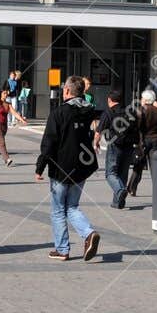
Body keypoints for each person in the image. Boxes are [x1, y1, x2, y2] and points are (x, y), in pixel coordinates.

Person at [36, 75, 101, 262]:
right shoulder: (88, 111)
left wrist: (40, 167)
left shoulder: (59, 113)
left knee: (58, 210)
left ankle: (63, 249)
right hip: (82, 165)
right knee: (72, 206)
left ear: (66, 91)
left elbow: (49, 142)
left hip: (61, 167)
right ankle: (88, 234)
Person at [97, 88, 140, 209]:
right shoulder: (130, 112)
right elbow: (137, 130)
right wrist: (139, 146)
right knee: (122, 173)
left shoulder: (108, 112)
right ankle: (118, 202)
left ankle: (121, 190)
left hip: (115, 145)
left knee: (110, 173)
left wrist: (96, 143)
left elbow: (98, 131)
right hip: (129, 146)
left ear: (109, 100)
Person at [128, 88, 157, 197]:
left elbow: (137, 128)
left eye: (142, 98)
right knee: (155, 167)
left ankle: (131, 188)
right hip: (156, 140)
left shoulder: (140, 111)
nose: (141, 99)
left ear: (145, 99)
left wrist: (136, 142)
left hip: (143, 141)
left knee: (138, 166)